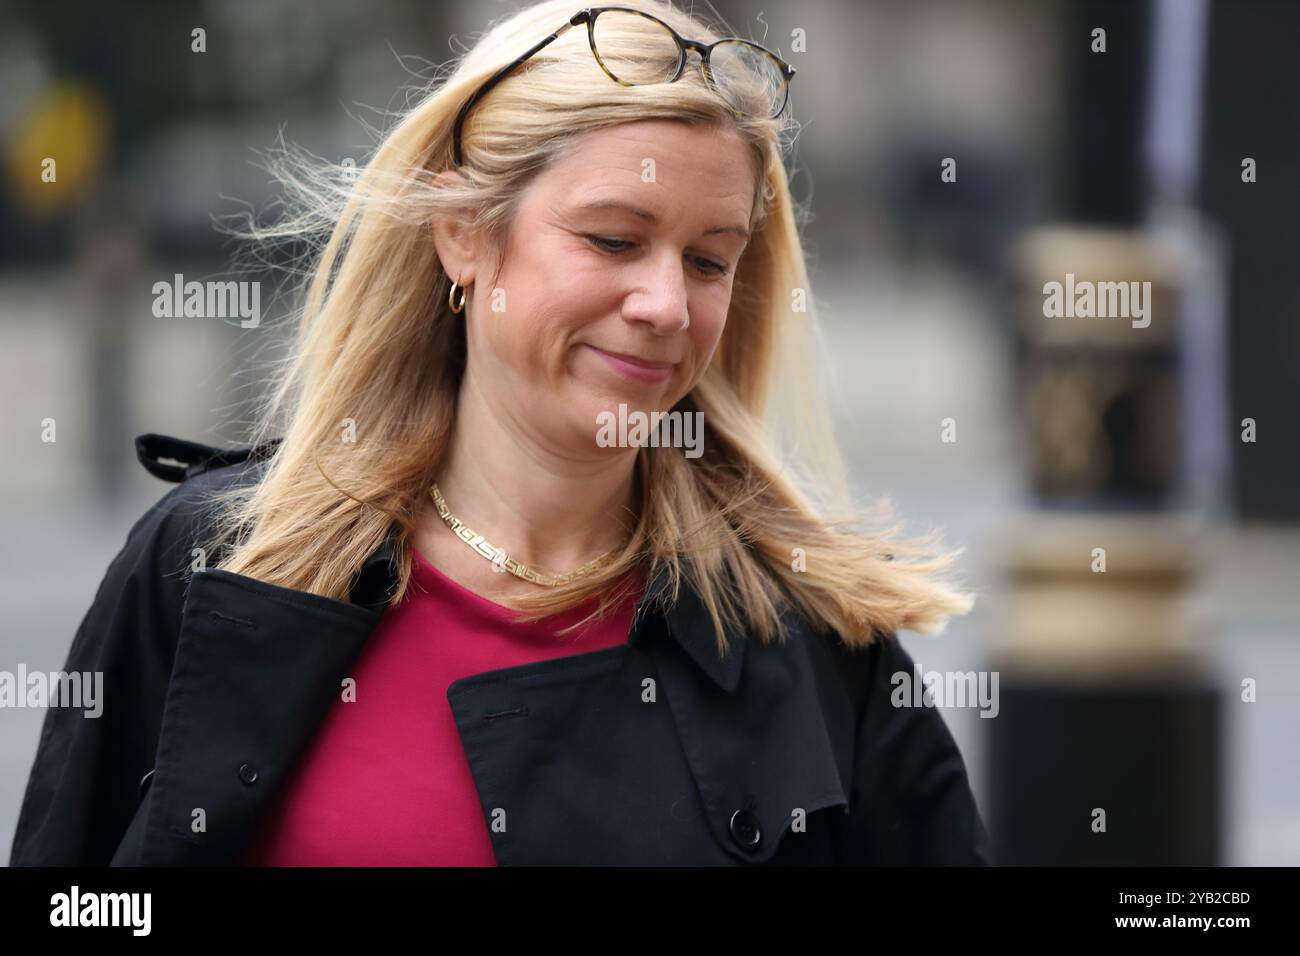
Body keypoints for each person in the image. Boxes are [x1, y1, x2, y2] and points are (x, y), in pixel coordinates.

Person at [10, 0, 988, 866]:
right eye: (613, 238)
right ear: (465, 232)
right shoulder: (217, 569)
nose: (663, 304)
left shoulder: (810, 643)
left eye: (707, 258)